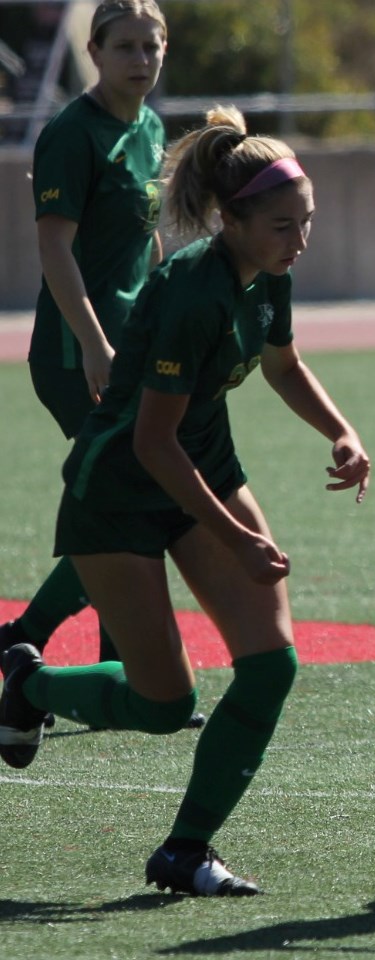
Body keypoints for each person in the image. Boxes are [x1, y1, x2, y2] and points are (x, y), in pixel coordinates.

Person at [0, 105, 373, 896]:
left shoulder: (268, 274)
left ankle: (184, 850)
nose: (298, 241)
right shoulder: (191, 293)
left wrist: (341, 432)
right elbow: (150, 444)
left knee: (271, 666)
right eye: (282, 225)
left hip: (199, 464)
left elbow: (283, 366)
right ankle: (26, 684)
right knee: (165, 703)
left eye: (305, 223)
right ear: (231, 220)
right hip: (118, 495)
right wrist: (237, 535)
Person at [2, 3, 202, 729]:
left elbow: (144, 244)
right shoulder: (70, 134)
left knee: (132, 506)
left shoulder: (149, 129)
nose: (140, 59)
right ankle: (25, 644)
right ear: (93, 51)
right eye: (124, 46)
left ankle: (113, 675)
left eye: (151, 46)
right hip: (74, 352)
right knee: (129, 502)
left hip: (128, 349)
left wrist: (154, 321)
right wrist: (92, 343)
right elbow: (55, 249)